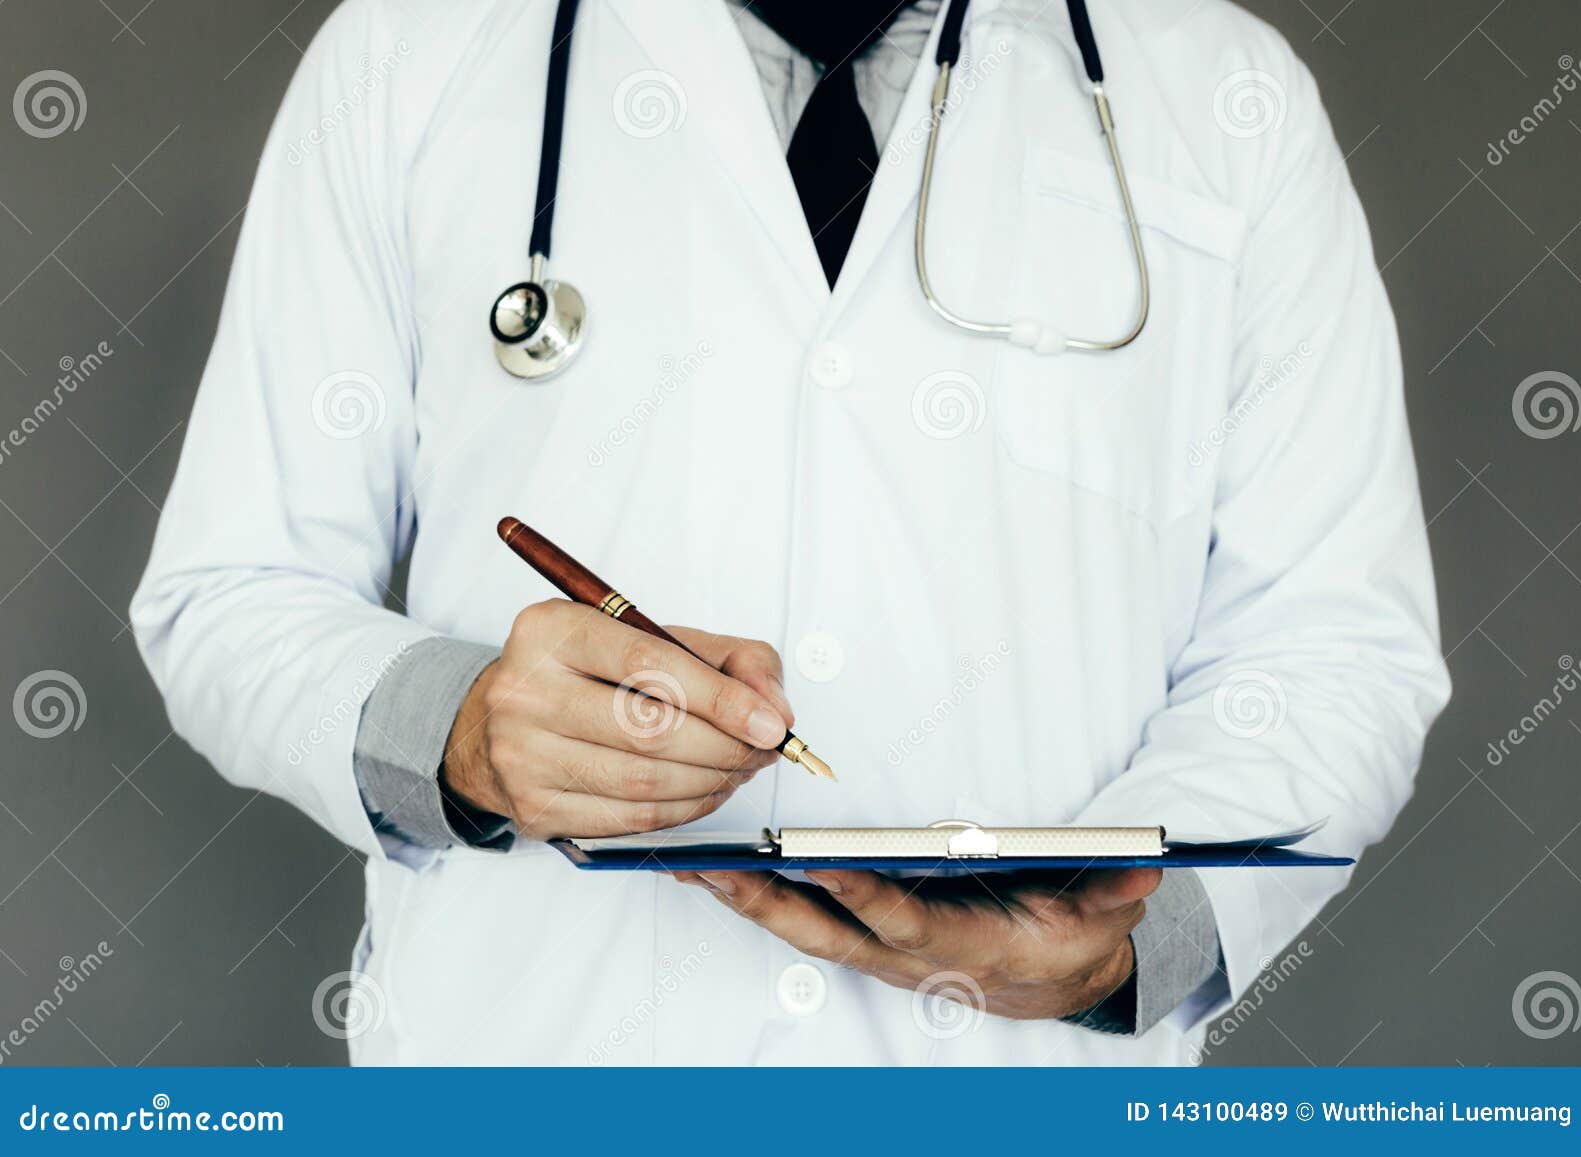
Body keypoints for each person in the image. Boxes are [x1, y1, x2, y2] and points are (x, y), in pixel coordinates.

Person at [131, 0, 1449, 1065]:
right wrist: (463, 727)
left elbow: (1336, 648)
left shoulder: (1227, 98)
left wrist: (1128, 947)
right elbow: (231, 591)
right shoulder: (409, 53)